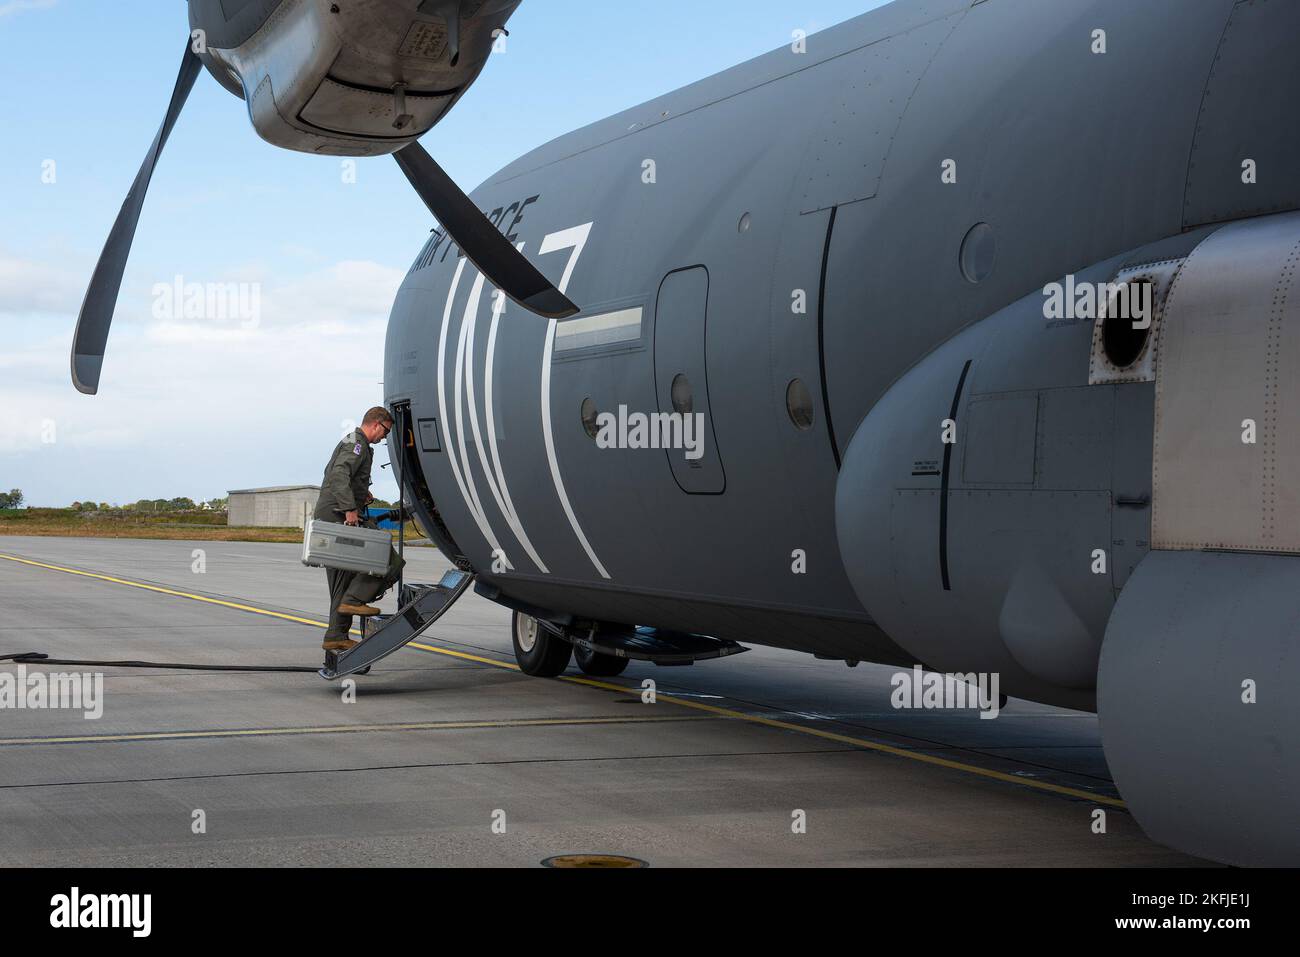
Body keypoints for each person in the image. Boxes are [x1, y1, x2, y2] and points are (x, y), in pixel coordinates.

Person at [316, 407, 406, 653]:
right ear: (376, 424)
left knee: (342, 582)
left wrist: (359, 492)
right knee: (388, 561)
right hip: (338, 517)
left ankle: (336, 636)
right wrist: (349, 509)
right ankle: (355, 601)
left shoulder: (352, 442)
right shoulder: (356, 443)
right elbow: (338, 474)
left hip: (330, 515)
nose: (385, 437)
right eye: (386, 432)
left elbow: (333, 473)